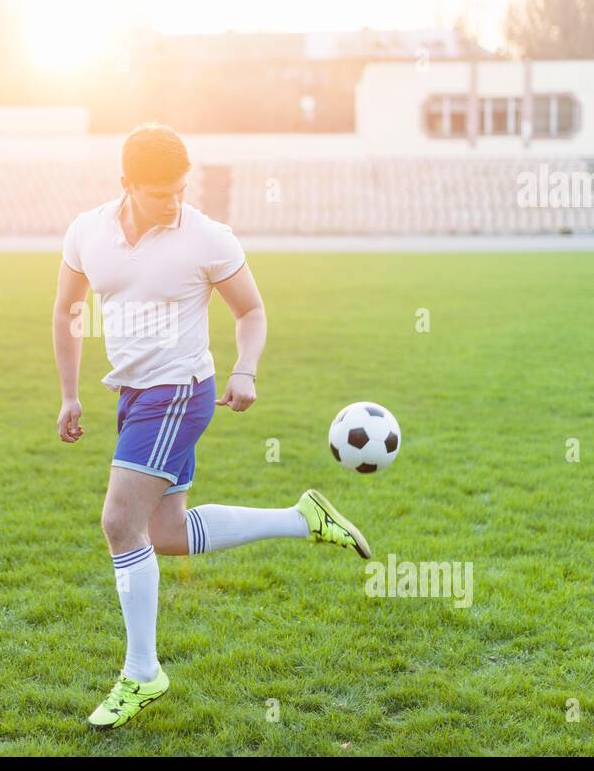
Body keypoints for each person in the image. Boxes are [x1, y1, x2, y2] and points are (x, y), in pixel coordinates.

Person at [51, 122, 373, 730]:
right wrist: (70, 394)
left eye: (181, 188)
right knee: (166, 533)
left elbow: (250, 310)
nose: (174, 201)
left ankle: (142, 673)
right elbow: (67, 311)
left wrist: (245, 369)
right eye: (159, 192)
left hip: (180, 395)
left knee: (119, 522)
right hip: (131, 394)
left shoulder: (208, 237)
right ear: (125, 184)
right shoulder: (86, 232)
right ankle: (303, 518)